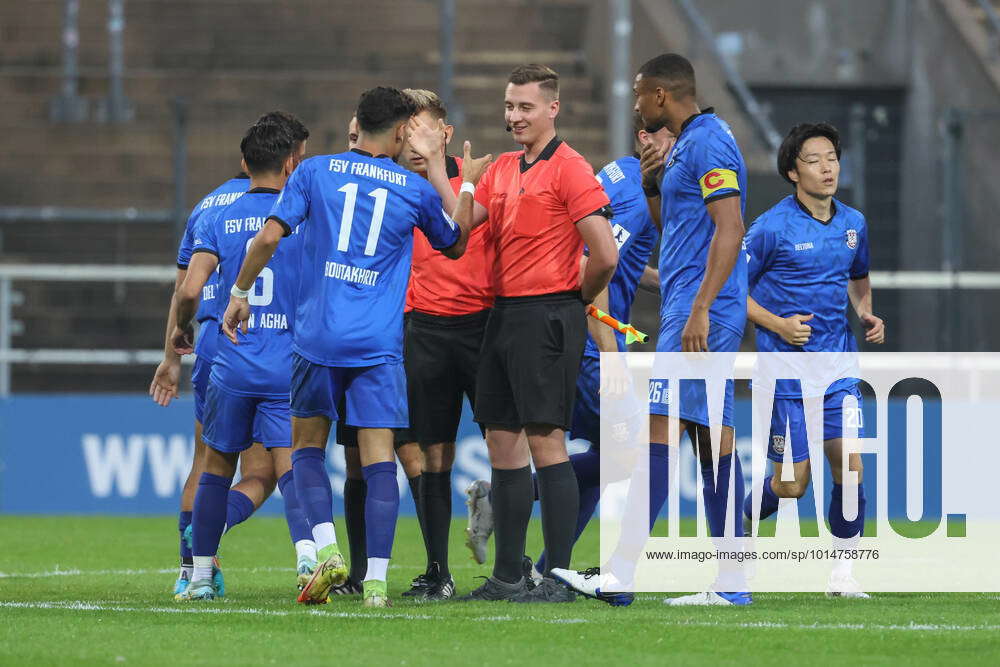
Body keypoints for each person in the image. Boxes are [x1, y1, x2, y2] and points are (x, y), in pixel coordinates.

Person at [221, 87, 481, 608]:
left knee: (306, 449)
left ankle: (328, 550)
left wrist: (240, 293)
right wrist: (462, 178)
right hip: (377, 344)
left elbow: (268, 237)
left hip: (317, 338)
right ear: (403, 131)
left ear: (356, 123)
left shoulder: (315, 172)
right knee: (380, 457)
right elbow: (457, 241)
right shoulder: (413, 189)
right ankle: (378, 584)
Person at [418, 64, 618, 603]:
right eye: (510, 106)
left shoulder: (571, 168)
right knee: (503, 444)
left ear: (553, 108)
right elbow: (458, 232)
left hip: (548, 314)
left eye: (526, 107)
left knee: (546, 442)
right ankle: (508, 575)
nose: (515, 116)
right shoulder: (503, 168)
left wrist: (573, 300)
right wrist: (444, 170)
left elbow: (605, 254)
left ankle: (558, 579)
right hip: (502, 314)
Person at [171, 111, 312, 601]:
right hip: (284, 360)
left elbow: (190, 289)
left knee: (214, 465)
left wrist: (182, 328)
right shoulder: (300, 216)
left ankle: (197, 576)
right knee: (290, 467)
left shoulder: (217, 214)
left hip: (228, 359)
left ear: (245, 162)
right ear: (291, 163)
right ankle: (308, 561)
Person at [741, 122, 884, 598]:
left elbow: (858, 276)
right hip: (785, 373)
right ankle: (744, 513)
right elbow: (731, 290)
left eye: (832, 158)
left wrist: (864, 311)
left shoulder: (853, 223)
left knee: (849, 463)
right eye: (814, 160)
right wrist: (778, 325)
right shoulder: (770, 228)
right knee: (792, 484)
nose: (827, 168)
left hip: (838, 367)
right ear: (792, 171)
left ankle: (843, 574)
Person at [633, 53, 751, 606]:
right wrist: (650, 182)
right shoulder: (687, 144)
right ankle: (732, 582)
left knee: (661, 429)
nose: (636, 105)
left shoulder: (709, 143)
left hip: (699, 311)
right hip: (688, 305)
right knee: (711, 441)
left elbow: (731, 228)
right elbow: (676, 227)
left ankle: (618, 573)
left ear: (660, 94)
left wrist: (701, 307)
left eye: (640, 93)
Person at [150, 157, 271, 599]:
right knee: (263, 472)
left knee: (204, 462)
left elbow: (184, 289)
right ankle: (212, 525)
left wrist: (170, 357)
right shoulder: (281, 206)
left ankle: (189, 570)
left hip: (210, 346)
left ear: (244, 160)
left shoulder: (208, 206)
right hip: (261, 341)